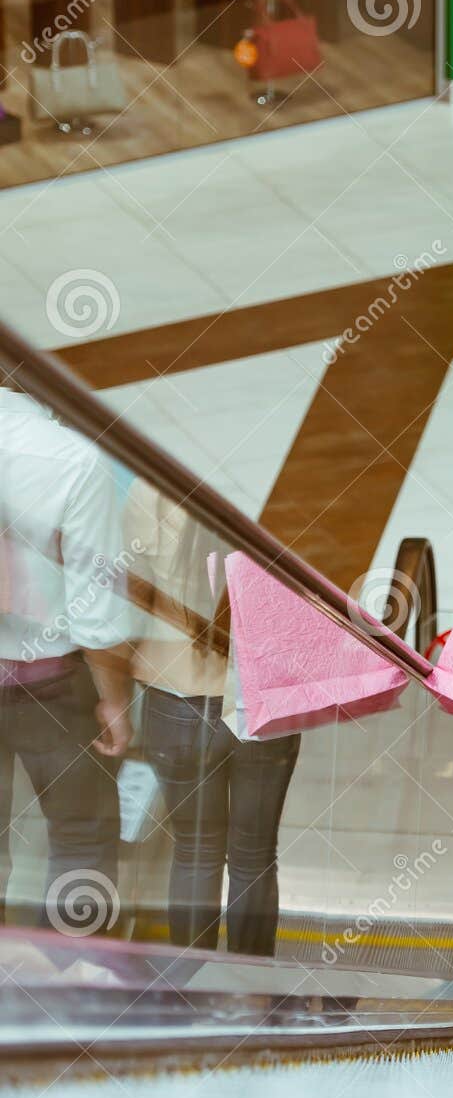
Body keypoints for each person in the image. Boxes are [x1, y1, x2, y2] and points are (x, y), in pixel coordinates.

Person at [123, 480, 299, 956]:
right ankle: (247, 987)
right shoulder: (290, 482)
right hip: (260, 698)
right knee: (255, 857)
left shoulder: (153, 481)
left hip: (175, 692)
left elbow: (131, 583)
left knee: (195, 852)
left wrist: (182, 622)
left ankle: (190, 987)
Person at [0, 378, 132, 934]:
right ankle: (74, 989)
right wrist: (116, 701)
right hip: (51, 686)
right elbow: (96, 609)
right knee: (80, 841)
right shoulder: (76, 460)